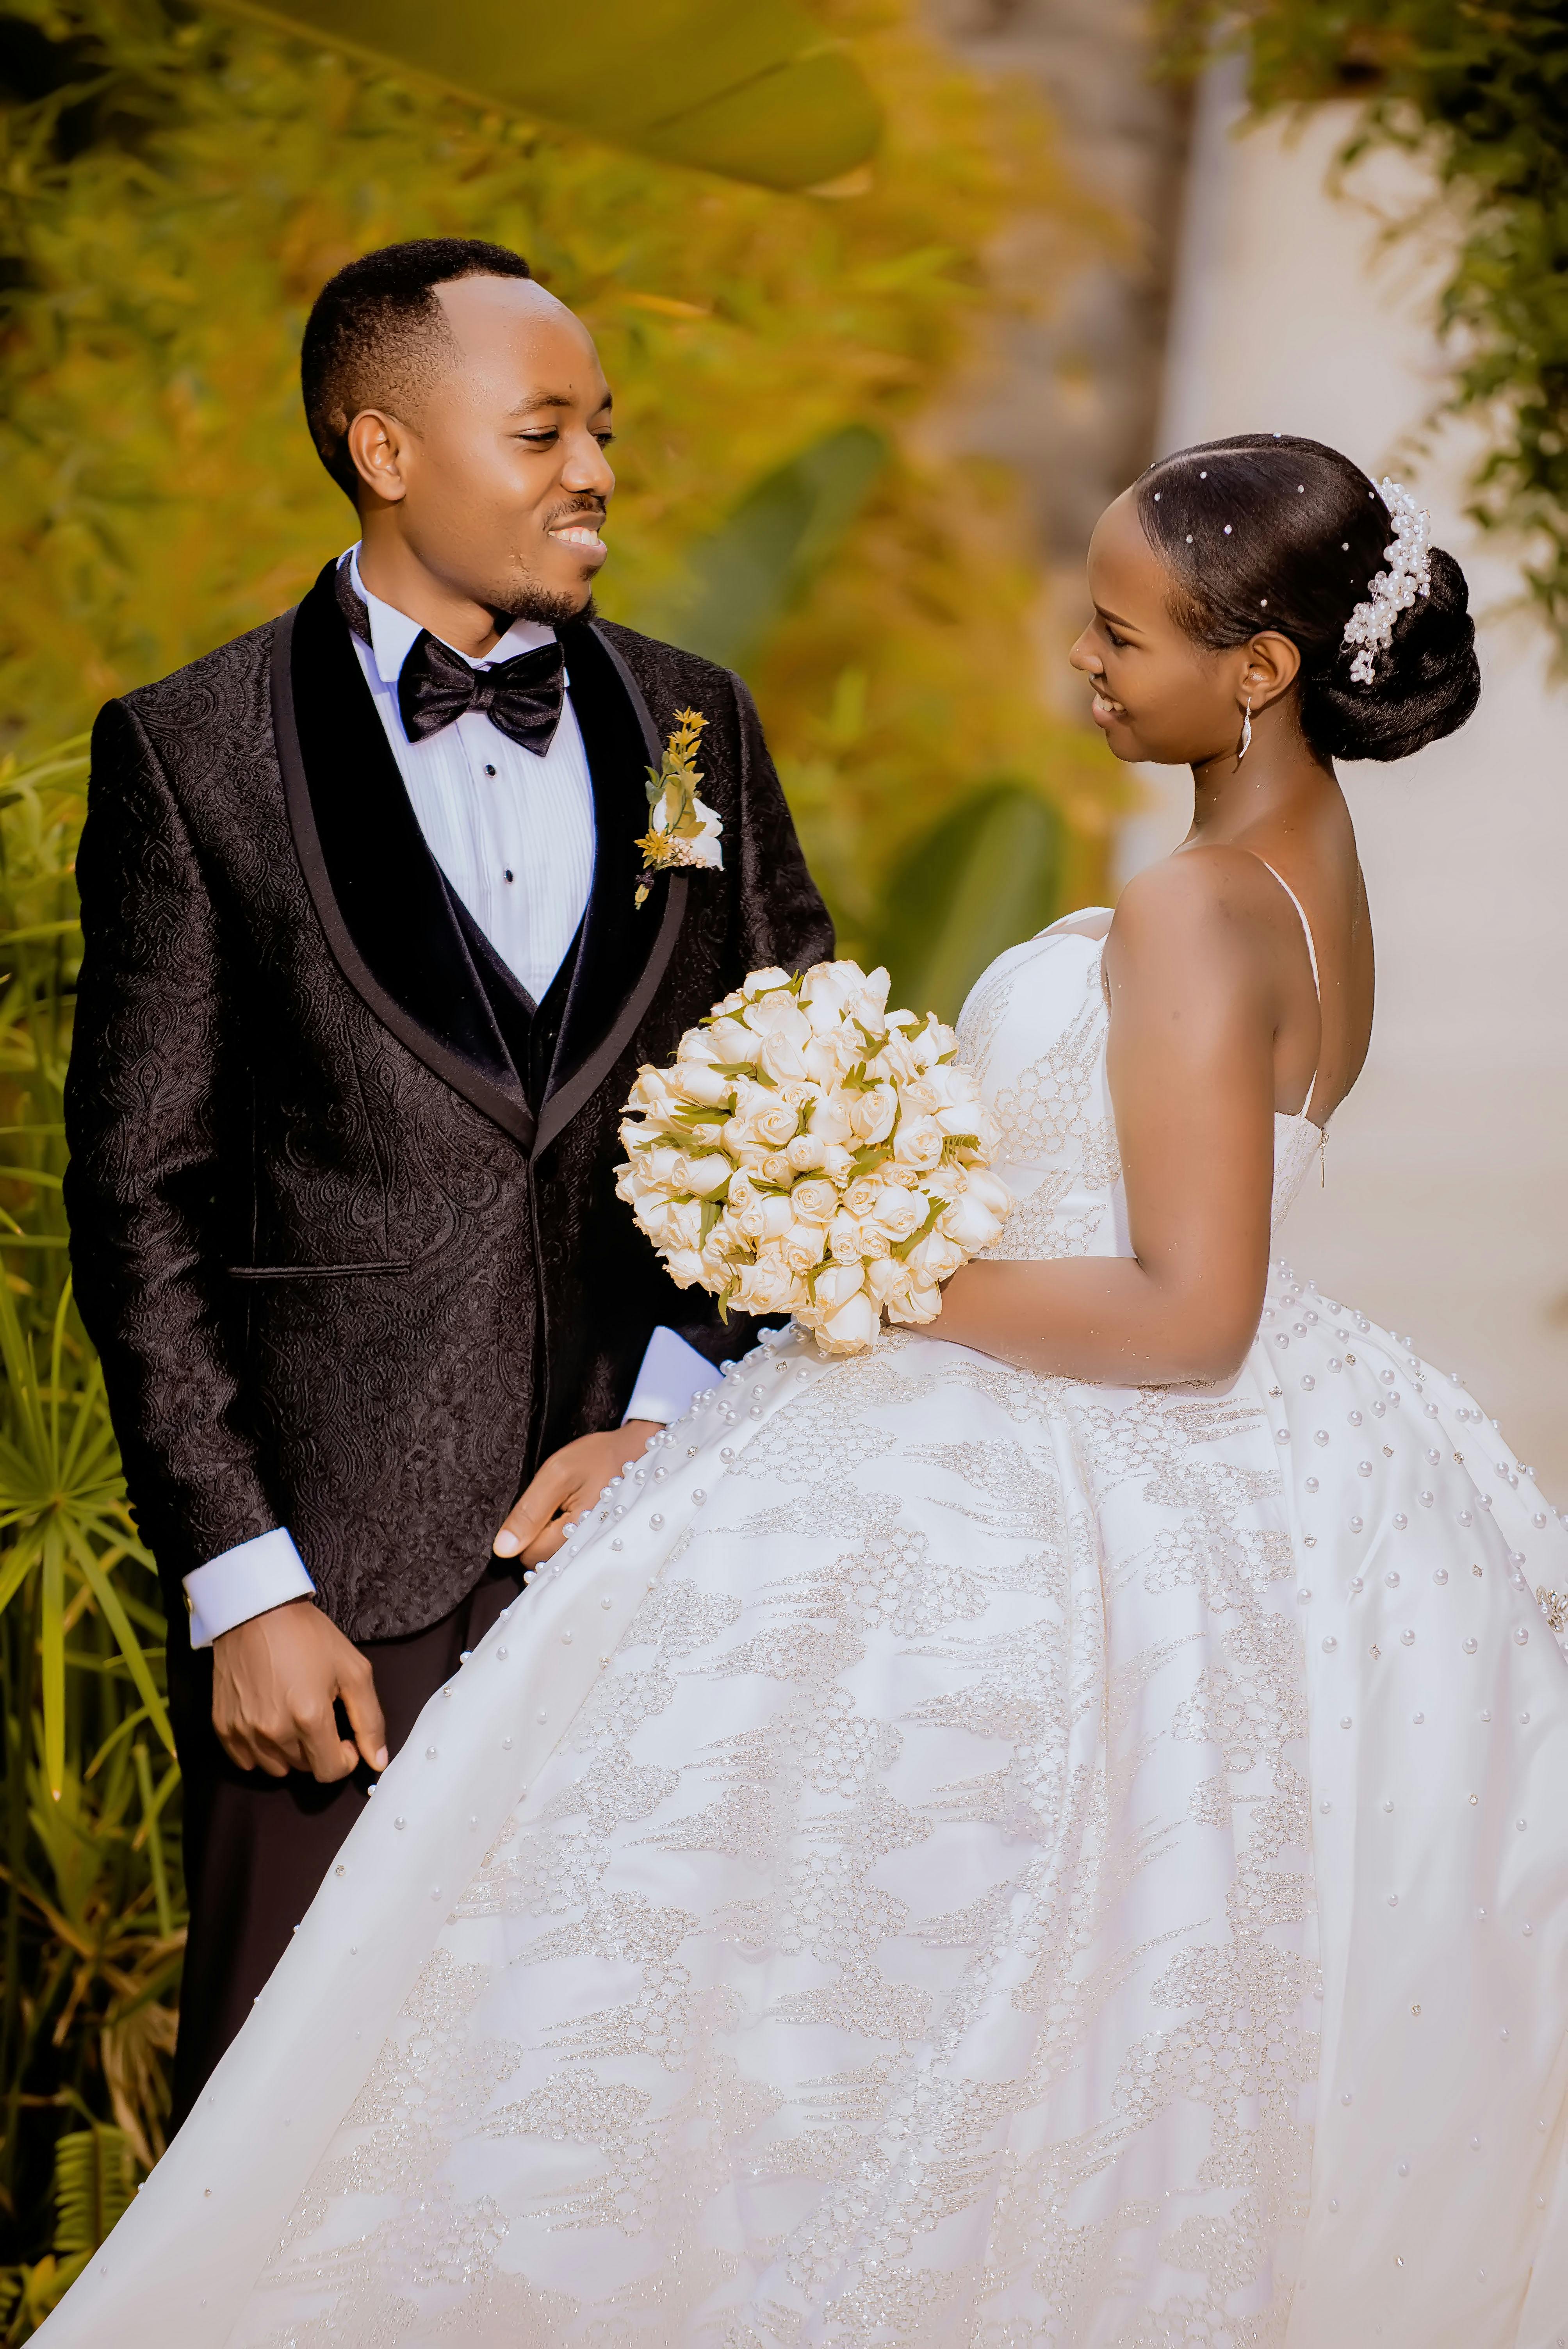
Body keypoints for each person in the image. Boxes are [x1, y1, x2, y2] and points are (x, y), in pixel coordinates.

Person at [44, 437, 1568, 2348]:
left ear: (1255, 669)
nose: (1081, 667)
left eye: (1117, 637)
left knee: (767, 1968)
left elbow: (1188, 1311)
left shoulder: (1194, 914)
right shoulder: (1305, 866)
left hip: (1079, 1461)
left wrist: (850, 1259)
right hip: (1207, 1472)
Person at [60, 237, 832, 2126]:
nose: (596, 473)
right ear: (384, 448)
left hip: (664, 1550)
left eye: (606, 432)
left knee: (629, 2118)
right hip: (340, 1596)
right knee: (292, 2140)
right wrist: (245, 1584)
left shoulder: (693, 719)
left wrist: (684, 1411)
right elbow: (141, 1191)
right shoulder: (193, 753)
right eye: (545, 429)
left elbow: (799, 1099)